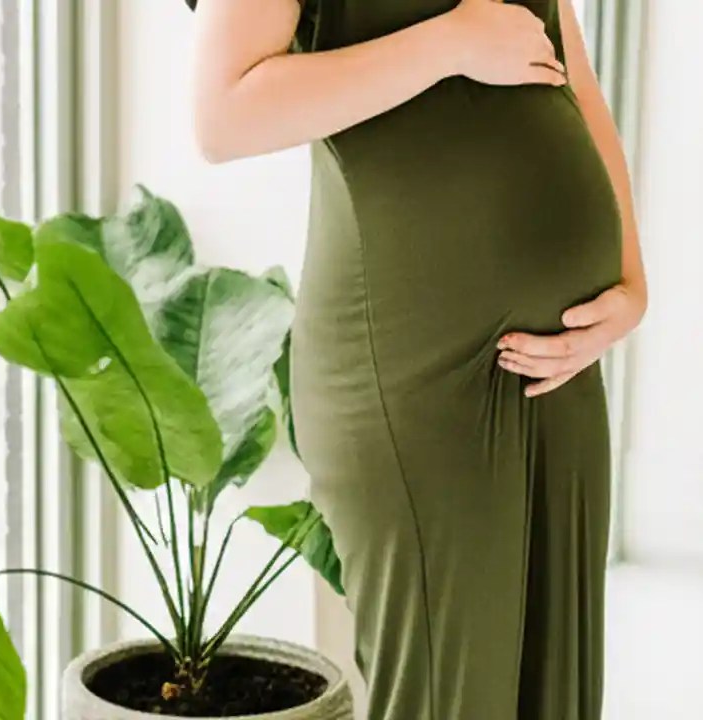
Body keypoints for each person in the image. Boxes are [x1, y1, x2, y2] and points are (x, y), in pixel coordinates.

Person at [192, 1, 647, 717]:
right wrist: (448, 43)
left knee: (557, 692)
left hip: (562, 363)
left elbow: (572, 76)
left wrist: (630, 280)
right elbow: (225, 115)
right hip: (415, 364)